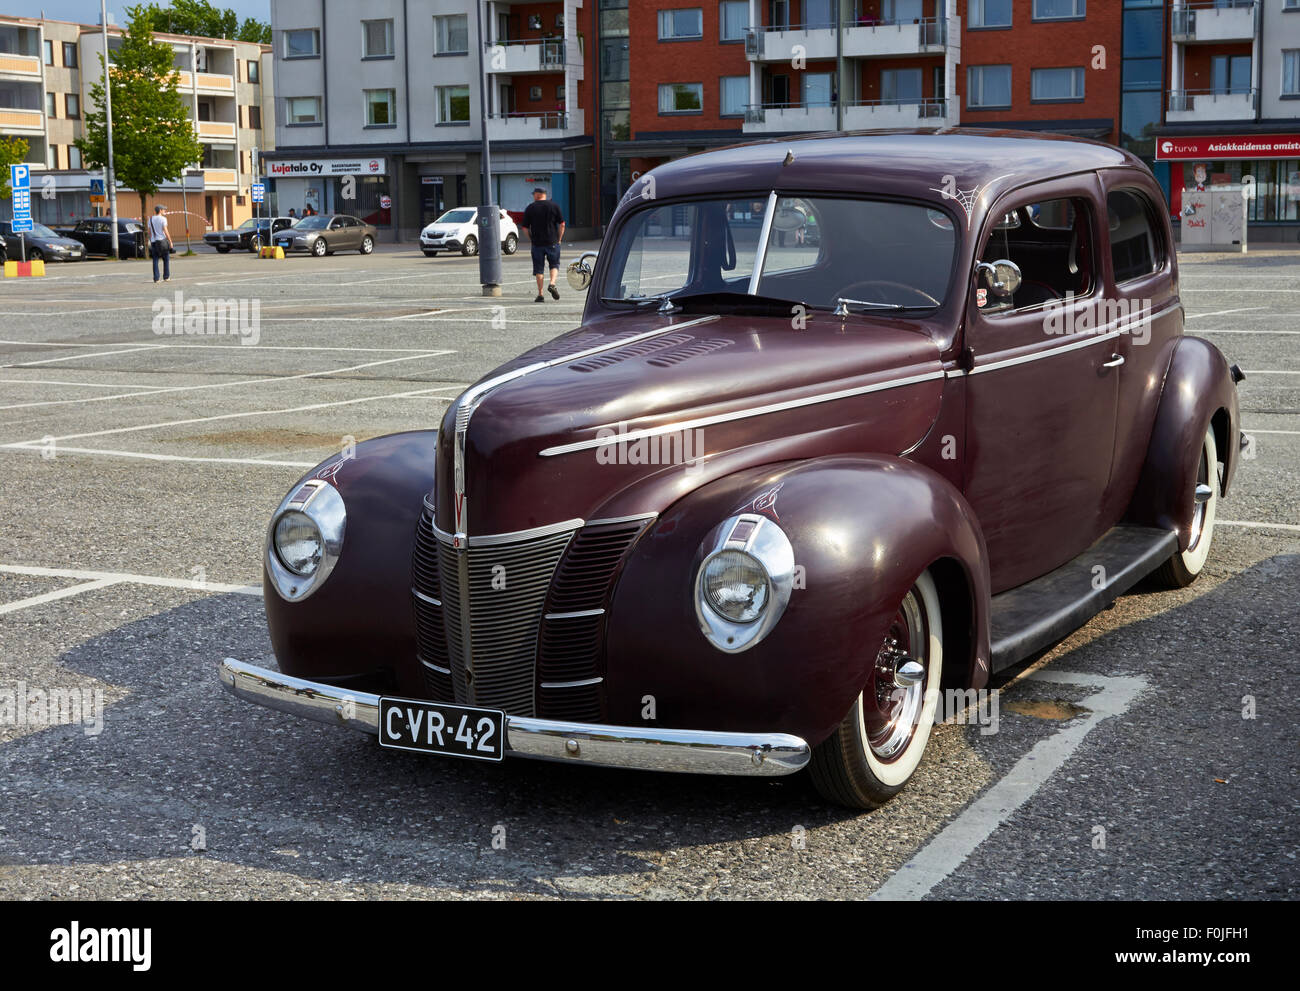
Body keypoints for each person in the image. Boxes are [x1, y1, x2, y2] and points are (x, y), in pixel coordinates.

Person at [521, 187, 565, 302]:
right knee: (554, 265)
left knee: (539, 269)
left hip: (537, 244)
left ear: (537, 194)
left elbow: (525, 227)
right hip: (552, 242)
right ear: (545, 195)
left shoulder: (530, 208)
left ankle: (540, 294)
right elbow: (562, 224)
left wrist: (531, 239)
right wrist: (559, 239)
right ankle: (552, 283)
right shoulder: (554, 206)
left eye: (534, 194)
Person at [148, 205, 173, 283]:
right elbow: (165, 230)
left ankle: (156, 278)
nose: (165, 211)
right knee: (166, 259)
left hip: (154, 241)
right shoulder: (163, 219)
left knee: (155, 260)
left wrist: (150, 239)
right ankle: (166, 276)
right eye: (164, 210)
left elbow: (149, 232)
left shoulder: (150, 219)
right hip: (162, 241)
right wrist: (170, 241)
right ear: (160, 210)